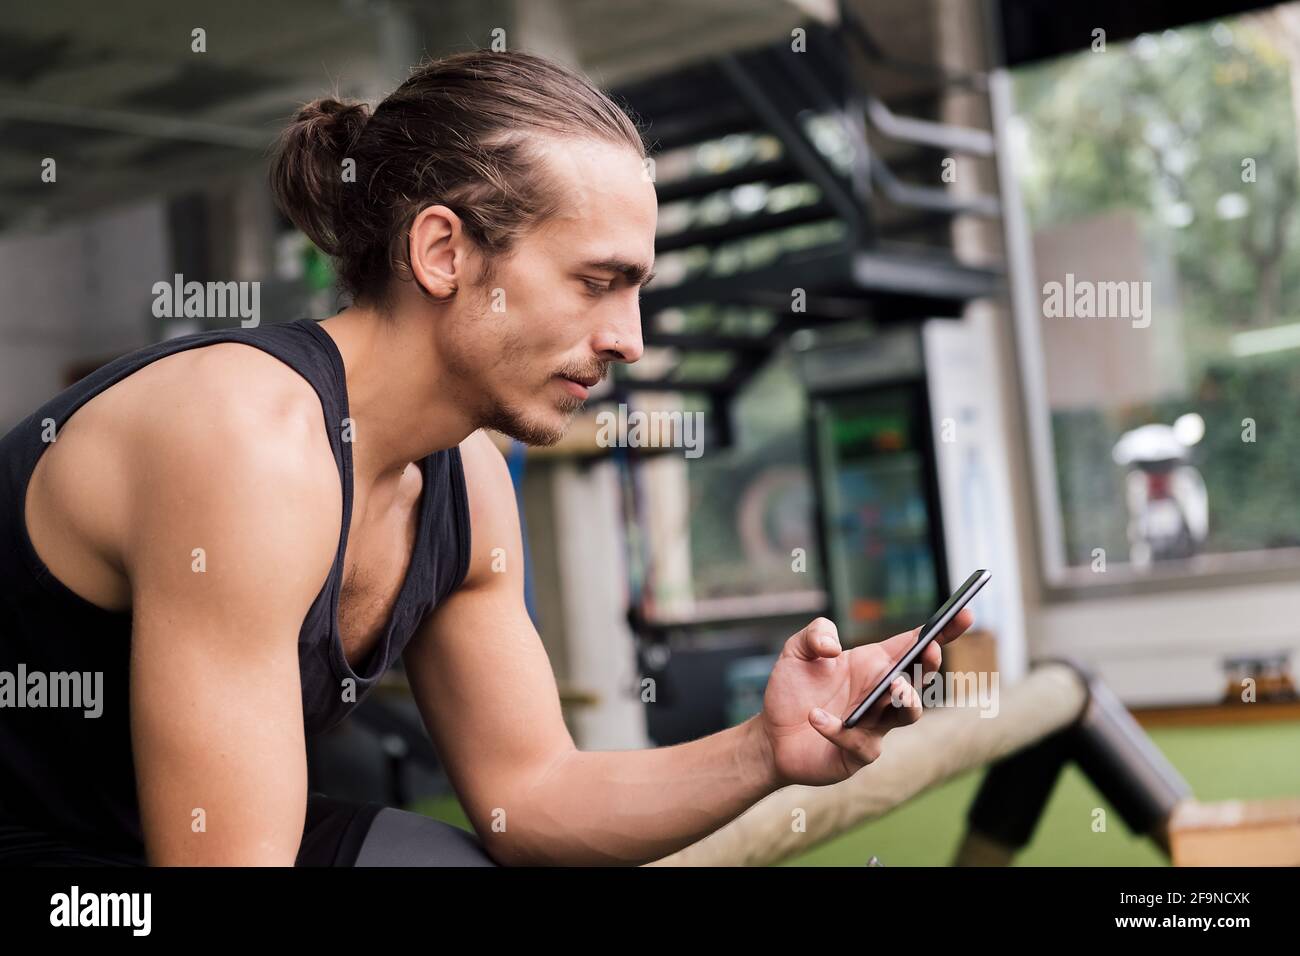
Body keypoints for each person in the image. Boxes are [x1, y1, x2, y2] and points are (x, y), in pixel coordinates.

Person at [0, 49, 971, 866]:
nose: (629, 338)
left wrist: (767, 746)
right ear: (442, 252)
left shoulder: (462, 478)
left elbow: (527, 791)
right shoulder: (252, 444)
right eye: (599, 281)